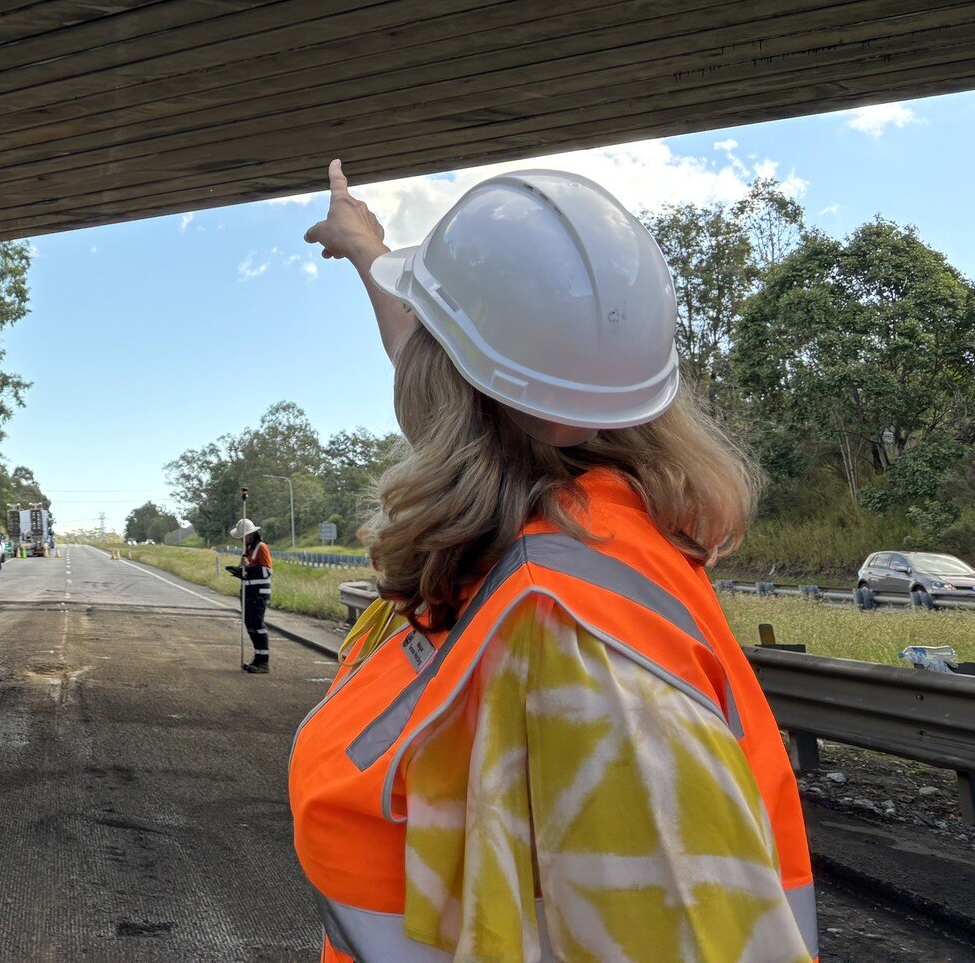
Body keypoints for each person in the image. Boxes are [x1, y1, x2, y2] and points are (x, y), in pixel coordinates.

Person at [290, 159, 814, 962]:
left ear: (448, 378)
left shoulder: (569, 633)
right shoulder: (584, 525)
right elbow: (474, 380)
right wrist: (368, 248)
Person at [227, 518, 274, 673]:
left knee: (257, 626)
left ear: (250, 535)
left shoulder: (261, 547)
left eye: (242, 537)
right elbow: (250, 573)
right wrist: (240, 571)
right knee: (251, 627)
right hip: (248, 593)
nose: (241, 540)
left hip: (258, 594)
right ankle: (257, 659)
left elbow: (267, 571)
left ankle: (263, 662)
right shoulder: (247, 550)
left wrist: (250, 567)